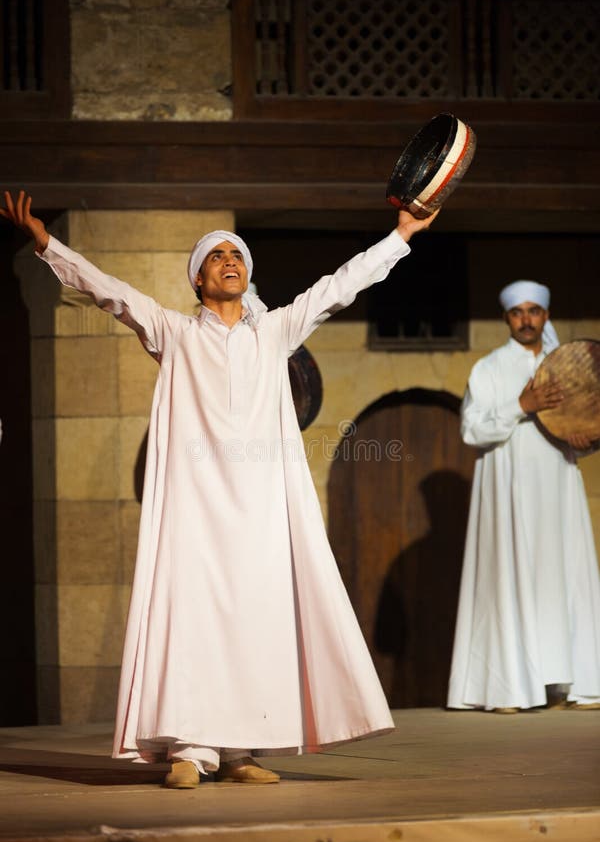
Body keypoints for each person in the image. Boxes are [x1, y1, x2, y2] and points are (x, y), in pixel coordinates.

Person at [3, 190, 437, 787]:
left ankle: (239, 752)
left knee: (255, 622)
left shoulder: (276, 330)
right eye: (216, 257)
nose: (230, 260)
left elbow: (341, 284)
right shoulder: (173, 332)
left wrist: (402, 235)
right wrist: (46, 244)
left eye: (237, 253)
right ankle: (191, 749)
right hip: (197, 512)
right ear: (198, 279)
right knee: (196, 621)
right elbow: (108, 291)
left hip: (260, 510)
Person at [447, 279, 600, 713]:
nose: (527, 319)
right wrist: (522, 404)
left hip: (556, 482)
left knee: (559, 575)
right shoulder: (490, 368)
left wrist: (584, 439)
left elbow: (586, 419)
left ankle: (563, 683)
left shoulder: (566, 365)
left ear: (545, 316)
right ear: (506, 318)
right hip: (509, 487)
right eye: (518, 312)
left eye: (535, 311)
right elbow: (472, 429)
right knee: (511, 576)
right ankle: (509, 687)